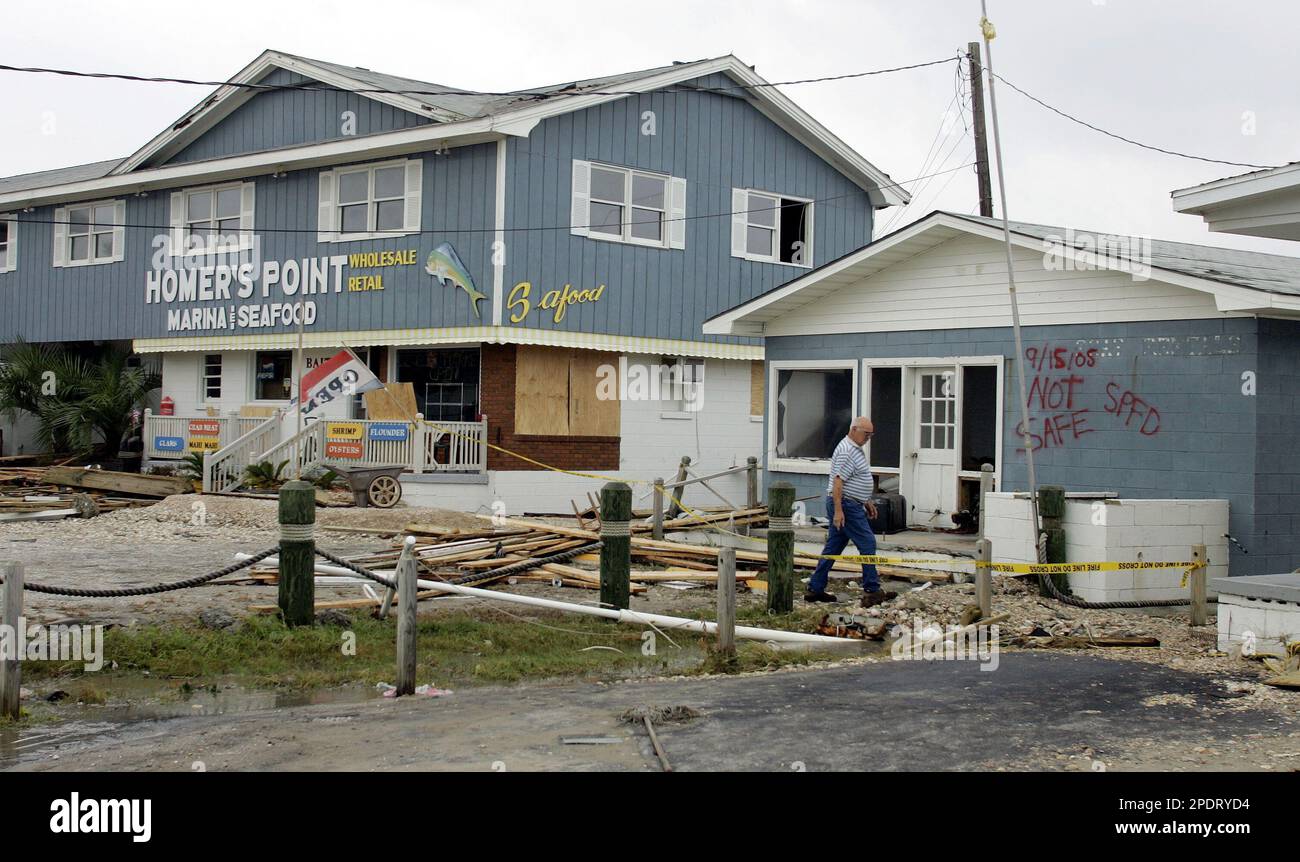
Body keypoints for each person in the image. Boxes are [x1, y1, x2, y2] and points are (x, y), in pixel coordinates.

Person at [804, 416, 897, 607]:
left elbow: (854, 479)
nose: (868, 438)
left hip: (850, 503)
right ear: (854, 429)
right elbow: (839, 482)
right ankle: (872, 590)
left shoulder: (854, 449)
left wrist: (866, 500)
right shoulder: (848, 451)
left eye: (871, 435)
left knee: (834, 546)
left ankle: (816, 587)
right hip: (846, 505)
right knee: (868, 542)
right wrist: (839, 511)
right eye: (866, 434)